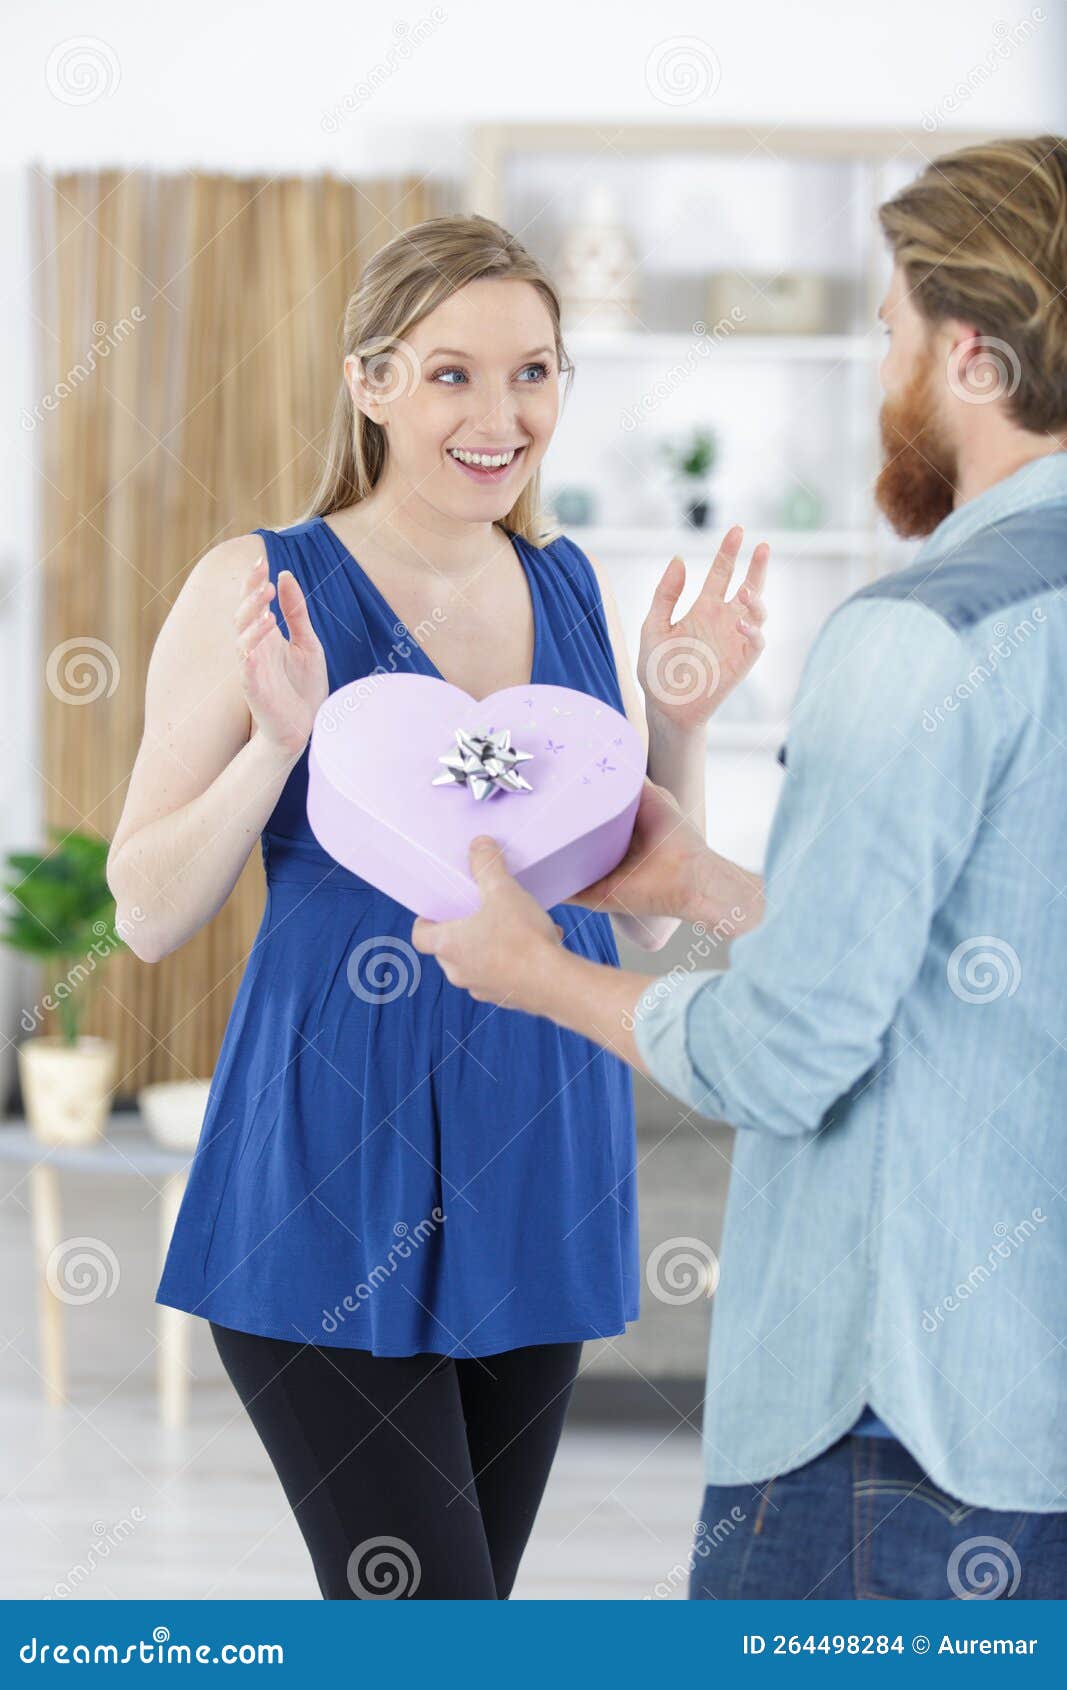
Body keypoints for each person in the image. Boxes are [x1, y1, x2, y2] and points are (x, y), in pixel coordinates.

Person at [410, 136, 1067, 1599]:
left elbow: (786, 1054)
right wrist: (703, 880)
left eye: (891, 336)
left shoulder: (922, 636)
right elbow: (978, 976)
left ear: (970, 356)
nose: (883, 373)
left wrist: (537, 971)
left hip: (894, 1431)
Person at [105, 212, 768, 1600]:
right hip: (329, 1174)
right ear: (372, 382)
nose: (499, 415)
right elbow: (148, 909)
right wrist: (276, 747)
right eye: (452, 373)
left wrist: (680, 723)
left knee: (461, 1627)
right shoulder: (258, 583)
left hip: (542, 1159)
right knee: (428, 1619)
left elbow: (643, 917)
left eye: (533, 373)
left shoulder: (566, 581)